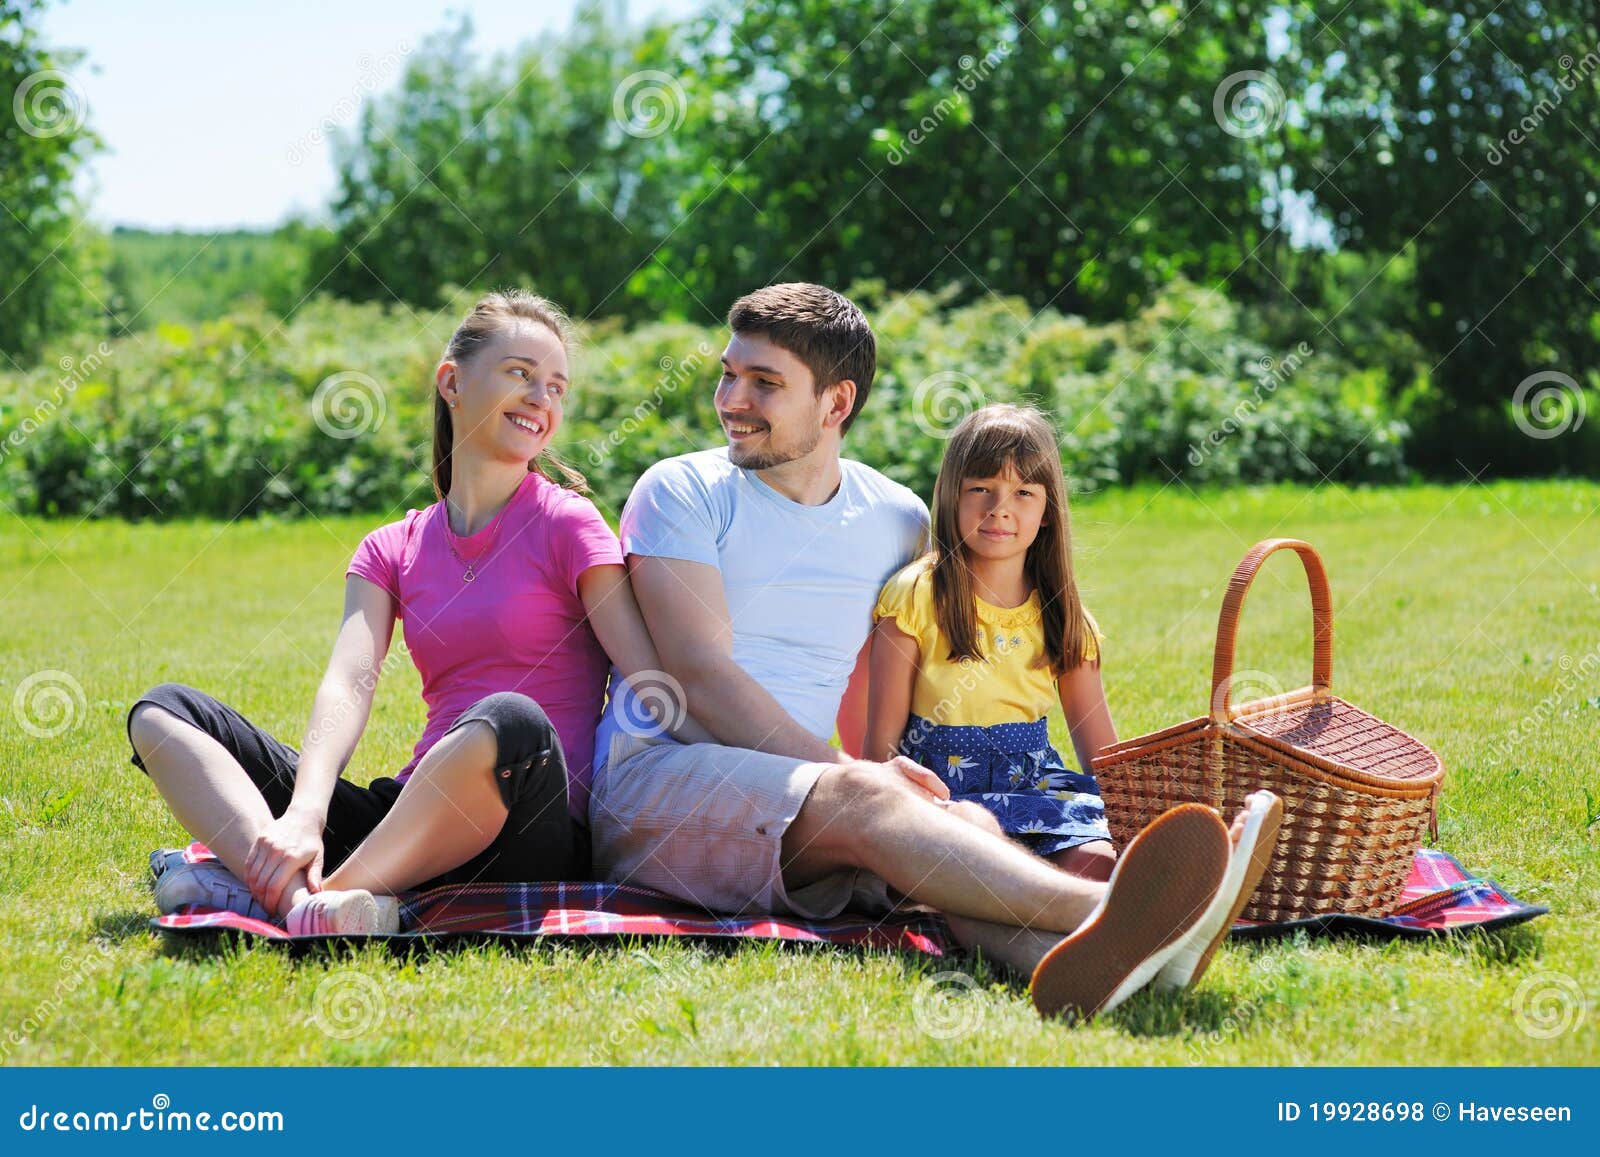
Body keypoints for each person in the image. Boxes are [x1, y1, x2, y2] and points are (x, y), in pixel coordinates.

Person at [587, 281, 1279, 1019]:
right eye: (729, 373)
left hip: (799, 797)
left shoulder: (895, 517)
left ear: (836, 403)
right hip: (659, 780)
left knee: (967, 832)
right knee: (874, 798)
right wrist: (858, 775)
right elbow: (696, 676)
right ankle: (1120, 908)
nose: (732, 398)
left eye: (764, 382)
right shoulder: (682, 490)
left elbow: (911, 660)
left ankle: (1099, 968)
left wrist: (912, 788)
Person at [127, 289, 709, 935]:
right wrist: (306, 814)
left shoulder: (568, 522)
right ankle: (306, 902)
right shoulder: (391, 546)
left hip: (526, 822)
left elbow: (647, 678)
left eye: (557, 386)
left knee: (510, 719)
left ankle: (305, 897)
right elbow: (348, 683)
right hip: (410, 817)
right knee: (163, 712)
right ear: (452, 382)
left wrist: (738, 786)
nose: (542, 399)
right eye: (520, 373)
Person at [864, 403, 1117, 881]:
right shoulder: (916, 596)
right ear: (951, 498)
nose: (999, 507)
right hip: (940, 793)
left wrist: (1135, 818)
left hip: (1036, 790)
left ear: (1047, 512)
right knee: (982, 866)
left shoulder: (1064, 616)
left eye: (1023, 492)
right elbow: (882, 746)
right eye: (980, 488)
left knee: (1100, 866)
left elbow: (1103, 756)